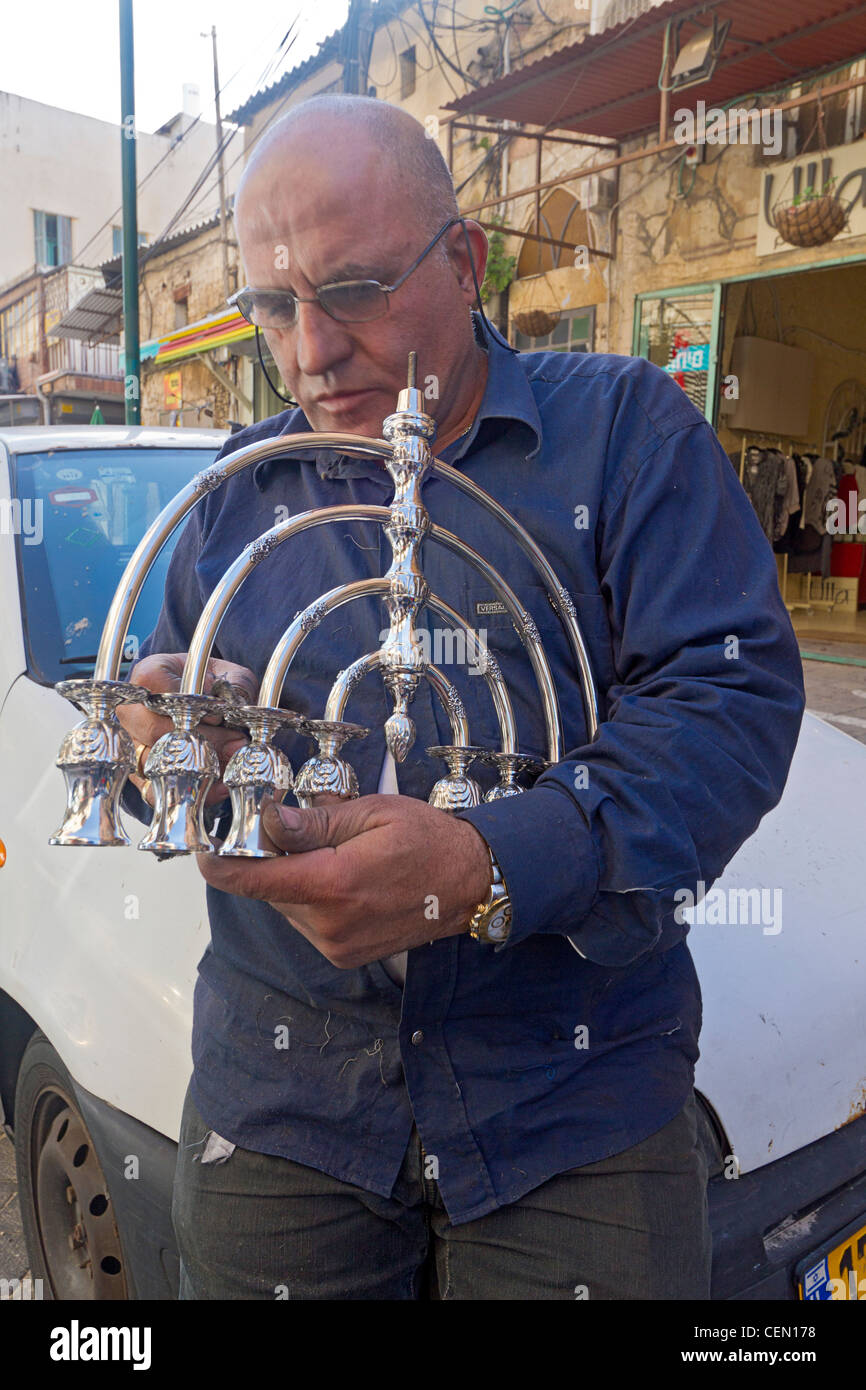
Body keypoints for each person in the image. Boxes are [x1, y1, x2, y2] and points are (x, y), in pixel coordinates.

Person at [119, 94, 805, 1300]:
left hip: (572, 1103)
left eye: (353, 290)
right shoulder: (236, 495)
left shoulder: (624, 438)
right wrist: (177, 734)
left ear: (464, 259)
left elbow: (727, 702)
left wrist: (491, 864)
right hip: (288, 1102)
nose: (309, 352)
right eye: (273, 306)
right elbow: (161, 746)